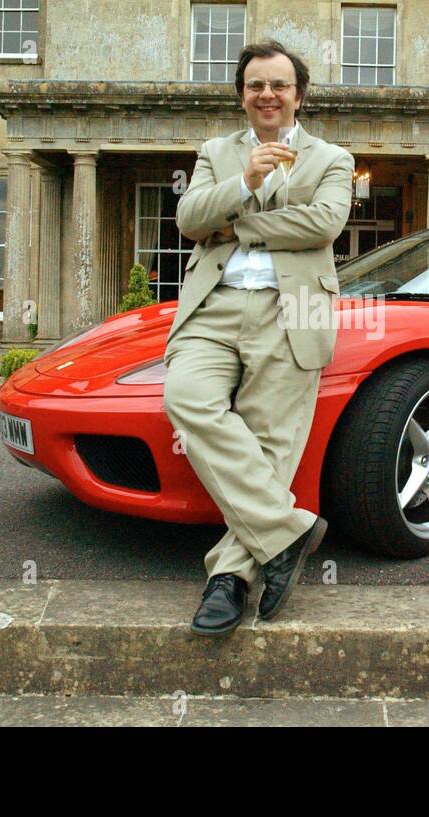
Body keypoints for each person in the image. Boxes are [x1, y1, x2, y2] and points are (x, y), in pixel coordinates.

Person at [163, 39, 355, 637]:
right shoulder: (217, 152)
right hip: (213, 308)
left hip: (290, 306)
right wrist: (243, 181)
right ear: (242, 96)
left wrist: (236, 223)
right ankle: (288, 532)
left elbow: (324, 223)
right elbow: (190, 219)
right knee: (187, 398)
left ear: (298, 94)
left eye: (278, 84)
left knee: (272, 446)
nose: (266, 94)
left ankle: (229, 578)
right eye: (255, 85)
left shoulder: (331, 158)